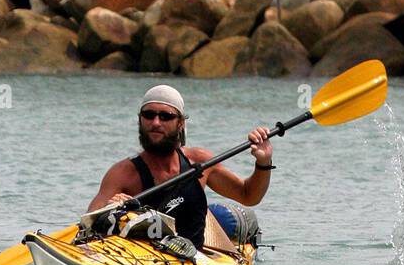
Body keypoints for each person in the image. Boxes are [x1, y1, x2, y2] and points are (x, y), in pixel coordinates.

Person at [87, 85, 273, 249]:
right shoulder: (122, 173)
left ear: (181, 123)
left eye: (166, 116)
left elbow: (249, 195)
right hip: (142, 263)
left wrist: (263, 163)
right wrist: (111, 207)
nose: (156, 123)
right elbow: (88, 223)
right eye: (149, 115)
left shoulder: (200, 162)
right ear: (140, 120)